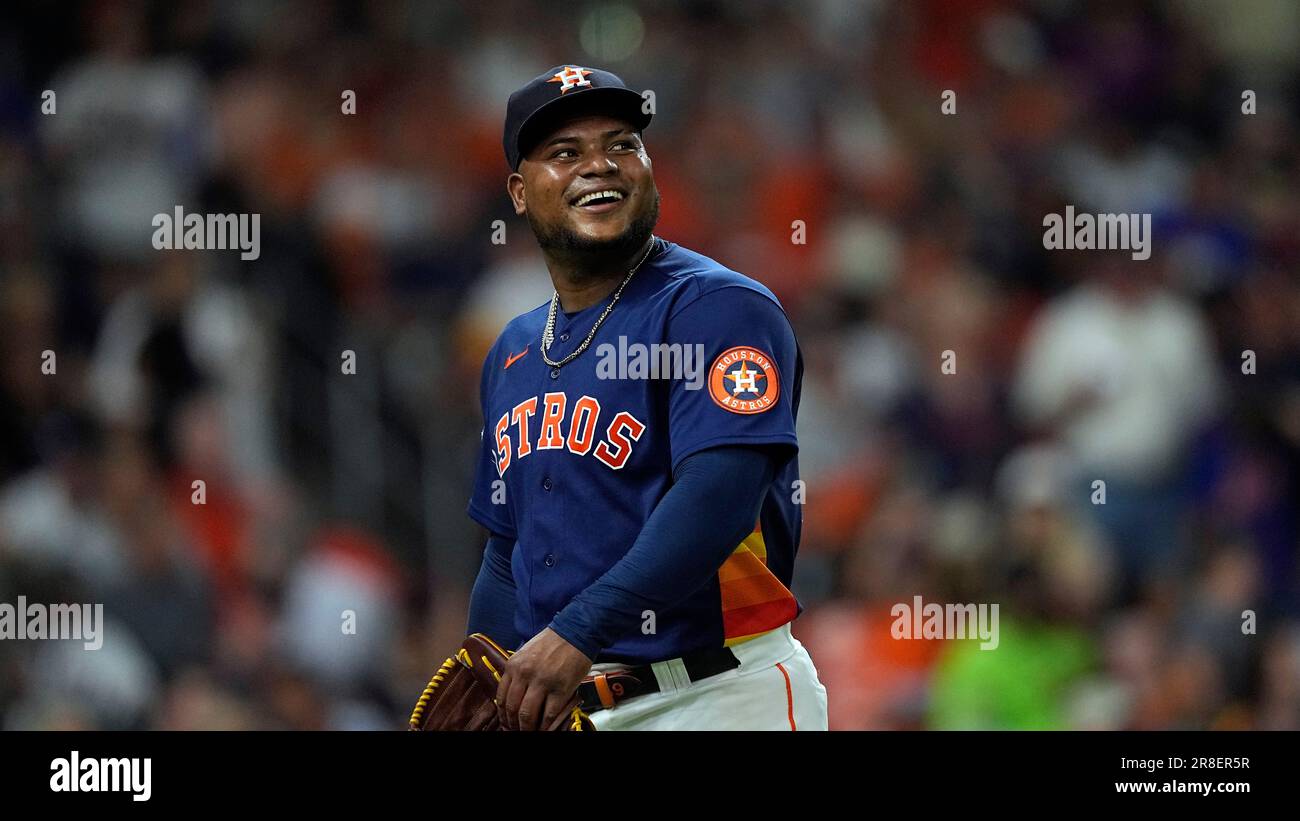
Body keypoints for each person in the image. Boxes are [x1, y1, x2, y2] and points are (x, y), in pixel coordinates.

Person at [466, 65, 827, 730]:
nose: (599, 166)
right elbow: (505, 550)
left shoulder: (716, 307)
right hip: (575, 710)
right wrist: (491, 680)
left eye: (622, 144)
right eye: (565, 153)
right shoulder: (512, 352)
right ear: (520, 192)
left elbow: (718, 496)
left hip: (717, 693)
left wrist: (577, 630)